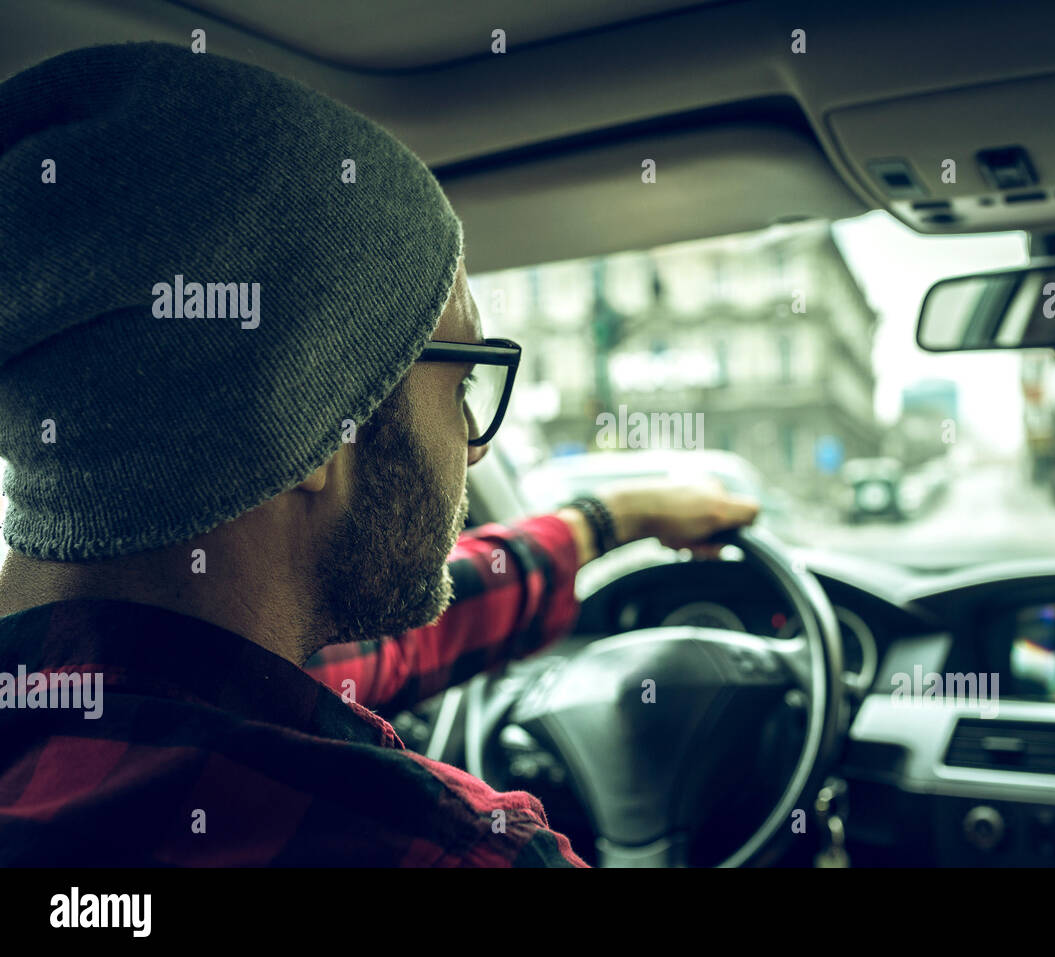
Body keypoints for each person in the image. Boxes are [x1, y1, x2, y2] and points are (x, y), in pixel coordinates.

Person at [0, 43, 757, 866]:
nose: (474, 448)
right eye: (462, 380)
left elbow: (380, 652)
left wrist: (610, 520)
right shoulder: (438, 848)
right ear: (317, 413)